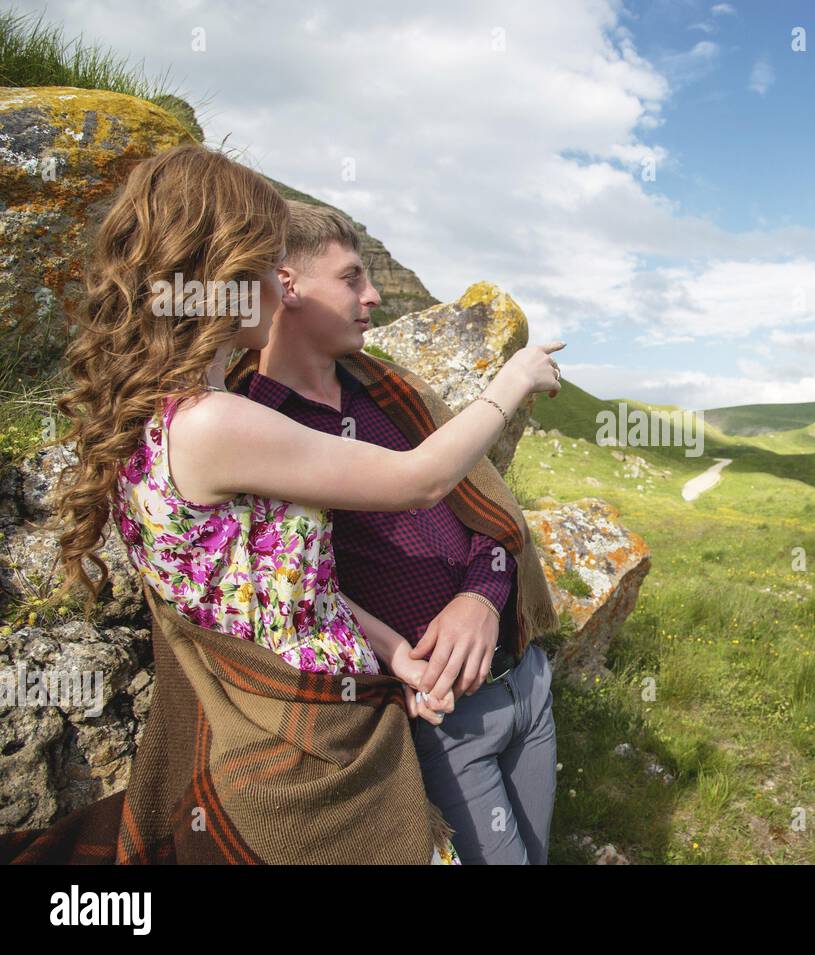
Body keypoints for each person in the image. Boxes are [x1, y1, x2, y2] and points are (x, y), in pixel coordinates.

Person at [46, 142, 563, 864]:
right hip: (311, 751)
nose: (273, 281)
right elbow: (419, 480)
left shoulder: (166, 420)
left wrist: (391, 651)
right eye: (261, 260)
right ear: (220, 272)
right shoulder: (216, 423)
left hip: (329, 718)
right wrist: (510, 383)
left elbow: (281, 587)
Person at [225, 200, 560, 864]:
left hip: (525, 679)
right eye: (352, 278)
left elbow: (488, 513)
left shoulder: (390, 392)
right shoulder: (249, 428)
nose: (373, 295)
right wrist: (512, 378)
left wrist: (482, 597)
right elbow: (289, 589)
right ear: (287, 284)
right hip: (436, 719)